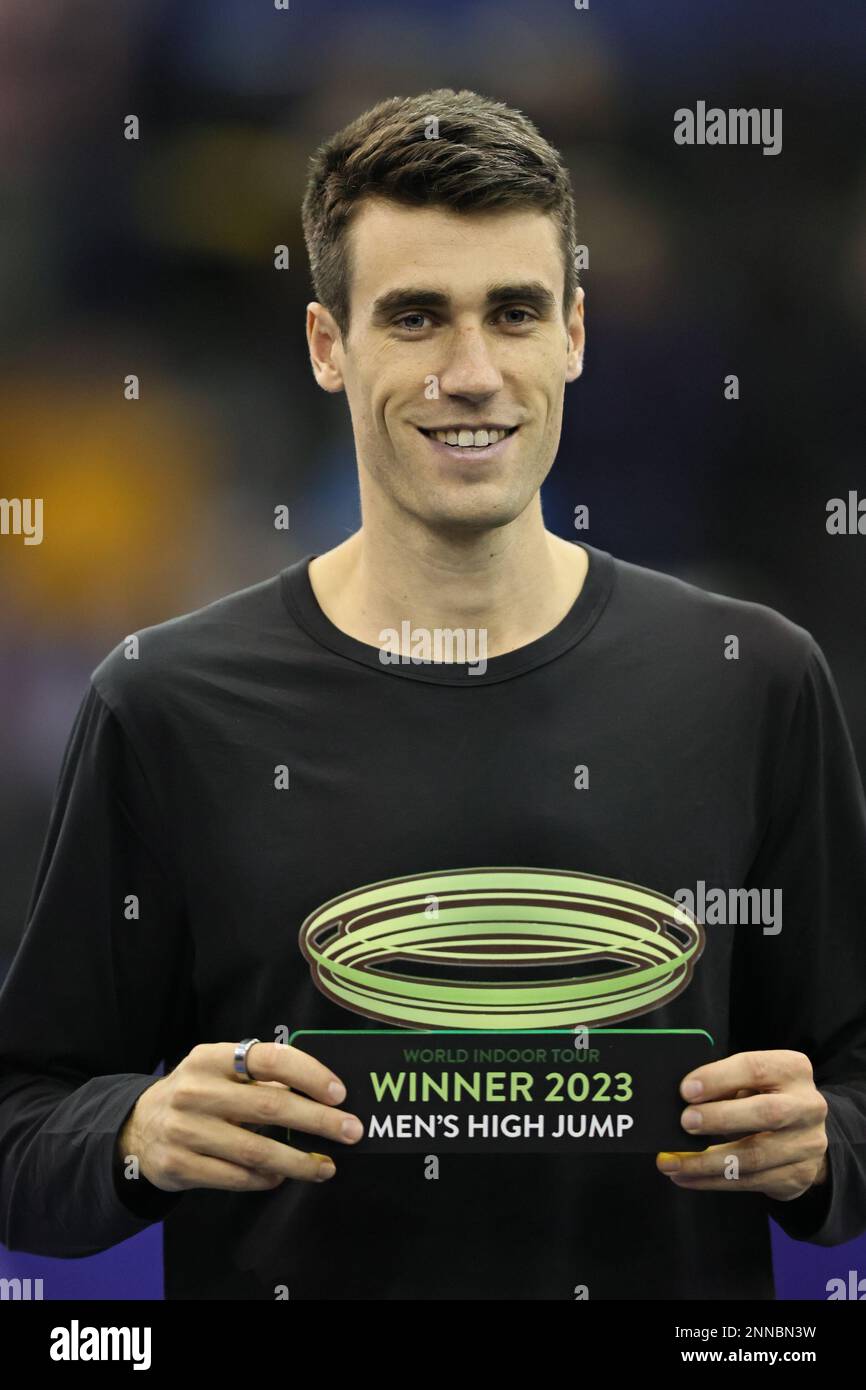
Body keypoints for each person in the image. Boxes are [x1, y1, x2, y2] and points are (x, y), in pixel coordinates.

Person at [1, 88, 865, 1301]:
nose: (470, 373)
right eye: (414, 317)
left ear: (573, 332)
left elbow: (851, 1082)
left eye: (510, 313)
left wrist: (830, 1147)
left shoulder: (754, 680)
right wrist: (133, 1135)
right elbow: (20, 1122)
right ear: (325, 344)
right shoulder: (169, 703)